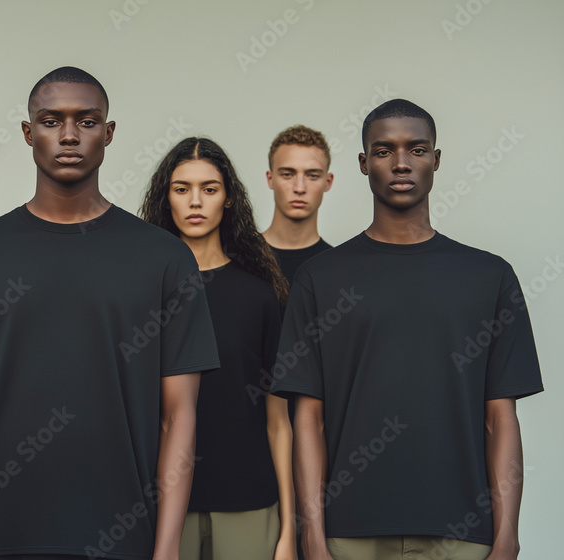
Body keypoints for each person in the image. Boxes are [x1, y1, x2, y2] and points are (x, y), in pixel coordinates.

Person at [0, 66, 221, 560]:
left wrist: (166, 553)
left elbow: (178, 417)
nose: (70, 135)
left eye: (88, 120)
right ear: (28, 132)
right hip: (1, 541)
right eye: (52, 120)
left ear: (109, 132)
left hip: (126, 542)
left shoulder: (164, 258)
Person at [271, 99, 543, 560]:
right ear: (363, 163)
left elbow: (501, 420)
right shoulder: (320, 278)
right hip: (349, 534)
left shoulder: (490, 276)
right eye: (384, 150)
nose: (401, 163)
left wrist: (507, 537)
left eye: (417, 149)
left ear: (436, 159)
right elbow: (307, 419)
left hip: (462, 535)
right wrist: (312, 536)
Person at [140, 137, 295, 560]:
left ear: (228, 199)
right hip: (160, 504)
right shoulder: (140, 295)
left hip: (250, 501)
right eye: (181, 188)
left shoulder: (259, 295)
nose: (196, 201)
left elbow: (279, 420)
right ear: (165, 198)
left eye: (209, 189)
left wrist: (289, 528)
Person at [261, 125, 334, 284]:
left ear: (328, 182)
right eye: (287, 174)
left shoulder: (339, 267)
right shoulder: (240, 258)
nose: (299, 188)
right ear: (270, 179)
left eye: (312, 175)